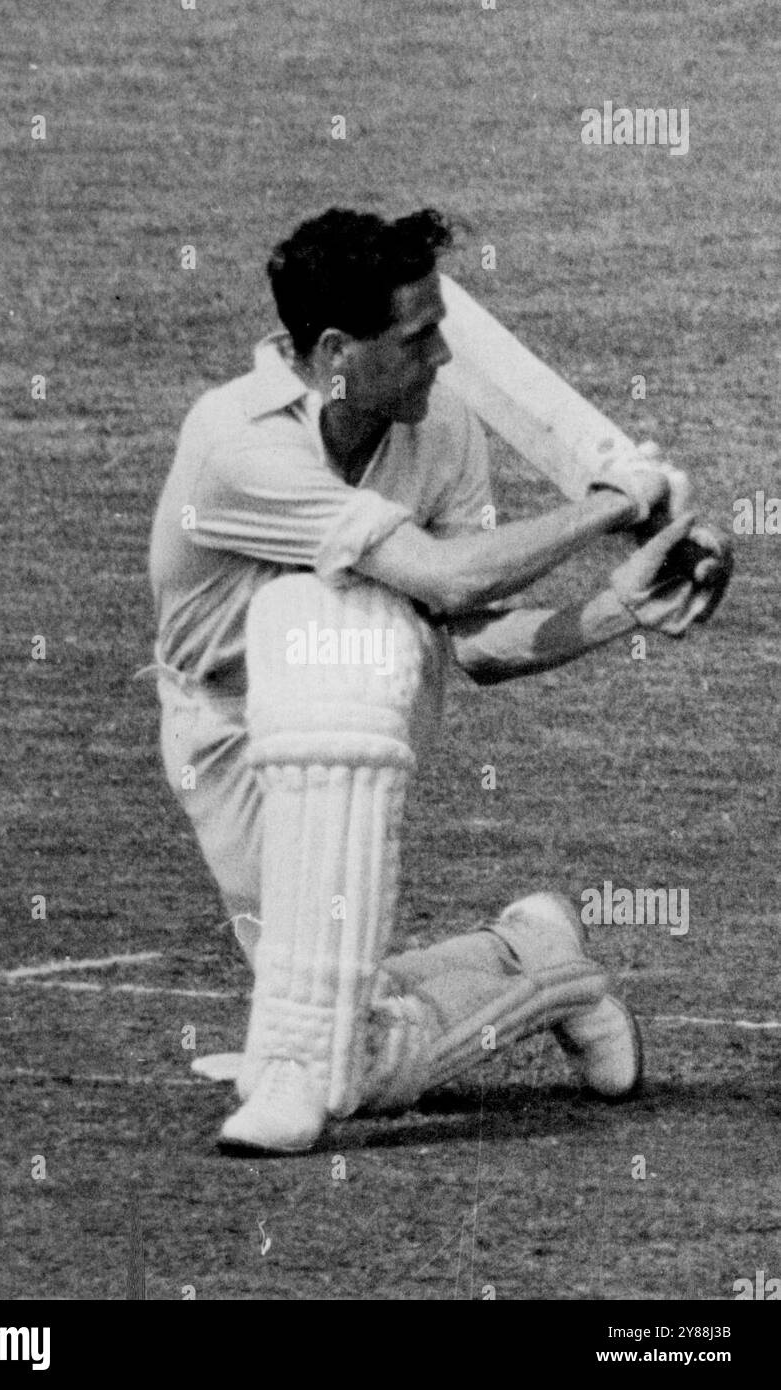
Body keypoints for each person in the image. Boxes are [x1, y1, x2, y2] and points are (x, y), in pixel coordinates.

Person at [148, 207, 730, 1153]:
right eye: (418, 338)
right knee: (358, 1049)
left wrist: (622, 605)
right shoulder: (236, 442)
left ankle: (310, 1055)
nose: (445, 358)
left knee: (316, 1060)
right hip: (222, 724)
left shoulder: (441, 425)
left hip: (358, 713)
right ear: (336, 350)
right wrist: (619, 500)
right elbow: (450, 574)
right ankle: (541, 963)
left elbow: (476, 641)